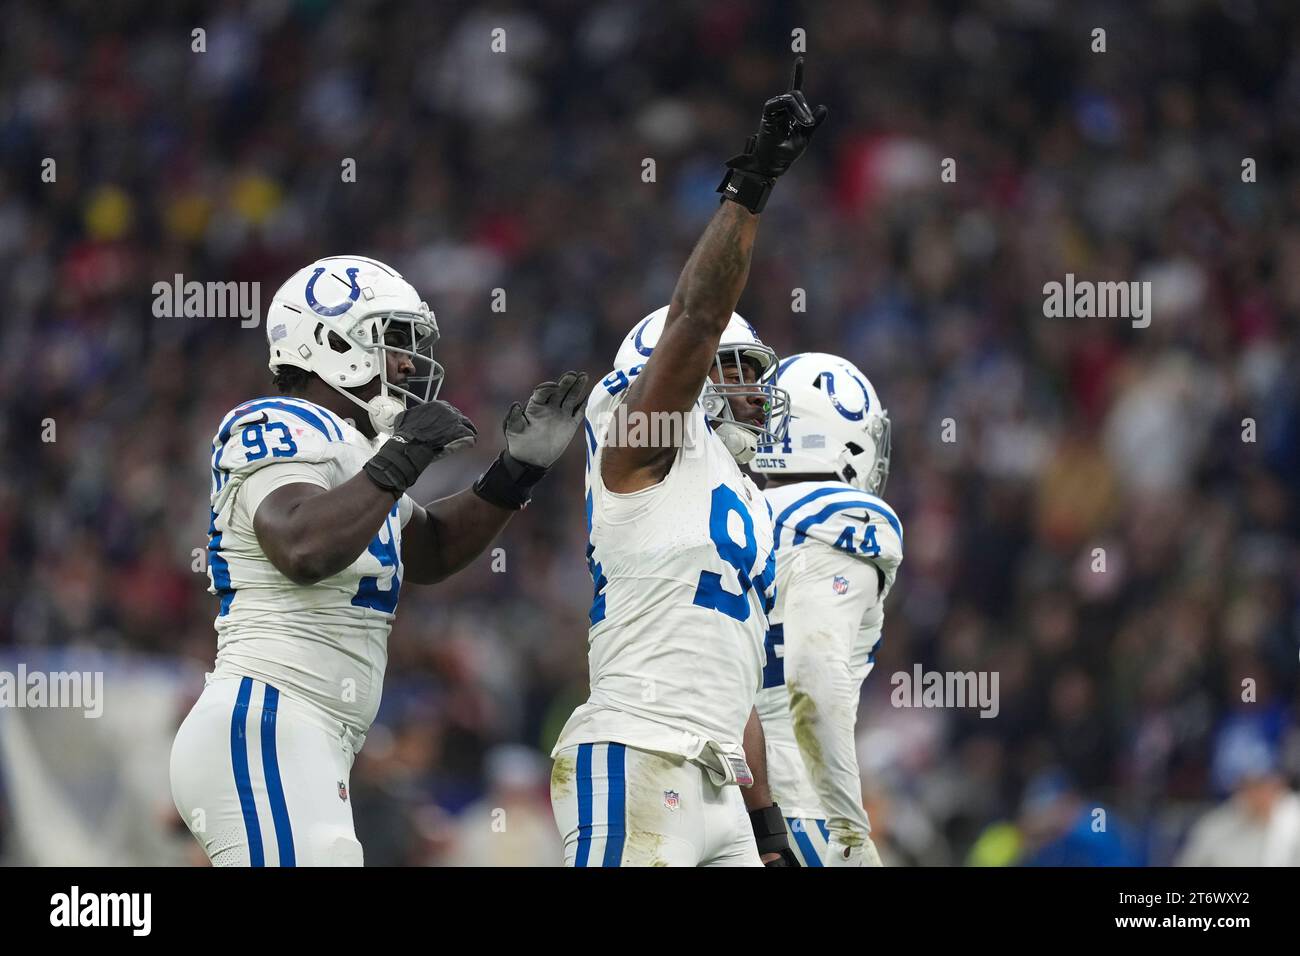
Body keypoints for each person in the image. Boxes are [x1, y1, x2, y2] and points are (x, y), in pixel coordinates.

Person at [170, 254, 586, 866]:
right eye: (392, 340)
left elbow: (432, 550)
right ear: (329, 342)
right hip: (267, 718)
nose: (410, 363)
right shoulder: (281, 422)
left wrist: (513, 473)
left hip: (312, 738)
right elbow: (301, 545)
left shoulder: (357, 458)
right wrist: (401, 458)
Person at [549, 60, 827, 866]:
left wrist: (767, 824)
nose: (752, 396)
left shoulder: (738, 494)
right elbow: (700, 317)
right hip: (634, 753)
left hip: (717, 779)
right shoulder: (647, 445)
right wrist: (752, 186)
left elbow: (728, 661)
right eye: (732, 374)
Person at [750, 352, 900, 866]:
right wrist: (849, 828)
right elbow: (813, 680)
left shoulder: (733, 511)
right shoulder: (848, 519)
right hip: (798, 801)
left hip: (719, 801)